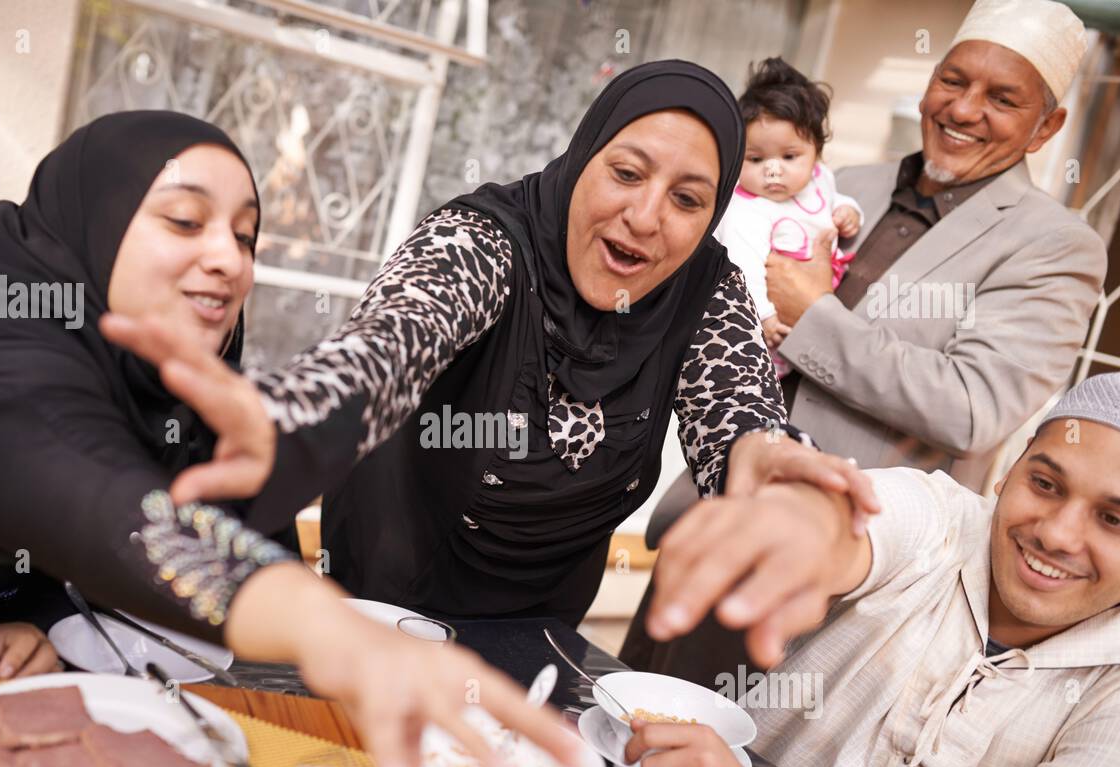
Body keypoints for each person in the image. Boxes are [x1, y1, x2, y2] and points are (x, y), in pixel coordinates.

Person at [0, 110, 579, 767]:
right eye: (185, 220)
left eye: (246, 236)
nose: (228, 259)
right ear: (98, 217)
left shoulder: (146, 368)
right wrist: (348, 642)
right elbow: (122, 513)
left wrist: (24, 613)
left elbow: (204, 521)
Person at [107, 60, 879, 645]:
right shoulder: (486, 238)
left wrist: (774, 475)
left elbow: (739, 408)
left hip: (535, 632)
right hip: (384, 599)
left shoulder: (703, 286)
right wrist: (292, 412)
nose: (646, 217)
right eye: (626, 172)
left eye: (687, 199)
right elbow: (392, 341)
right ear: (584, 156)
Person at [623, 0, 1107, 680]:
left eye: (1003, 98)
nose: (964, 110)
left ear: (1045, 126)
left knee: (727, 763)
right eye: (954, 81)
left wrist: (815, 312)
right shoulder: (843, 185)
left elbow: (974, 408)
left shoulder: (1055, 247)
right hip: (709, 518)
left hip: (835, 584)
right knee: (618, 730)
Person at [628, 373, 1120, 767]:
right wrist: (802, 521)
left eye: (1113, 519)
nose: (1057, 534)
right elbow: (850, 526)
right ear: (1009, 473)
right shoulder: (944, 518)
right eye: (1044, 484)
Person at [712, 57, 862, 382]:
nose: (774, 170)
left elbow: (835, 199)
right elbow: (743, 269)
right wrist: (763, 315)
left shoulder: (820, 179)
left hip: (818, 310)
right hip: (765, 319)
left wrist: (850, 212)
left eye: (789, 157)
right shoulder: (746, 210)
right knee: (751, 382)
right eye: (756, 159)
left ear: (816, 153)